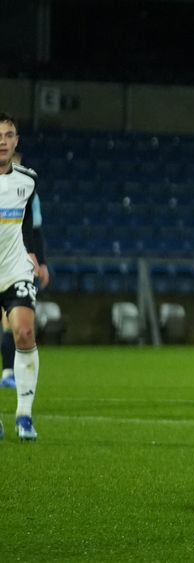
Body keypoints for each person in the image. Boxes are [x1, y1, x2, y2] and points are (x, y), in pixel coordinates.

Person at [0, 114, 42, 441]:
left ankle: (24, 416)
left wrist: (32, 253)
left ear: (16, 141)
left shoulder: (28, 180)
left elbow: (26, 220)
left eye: (8, 134)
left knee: (25, 333)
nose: (2, 140)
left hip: (14, 269)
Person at [2, 152, 48, 390]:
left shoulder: (29, 192)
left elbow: (34, 228)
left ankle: (9, 370)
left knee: (14, 323)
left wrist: (40, 261)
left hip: (15, 265)